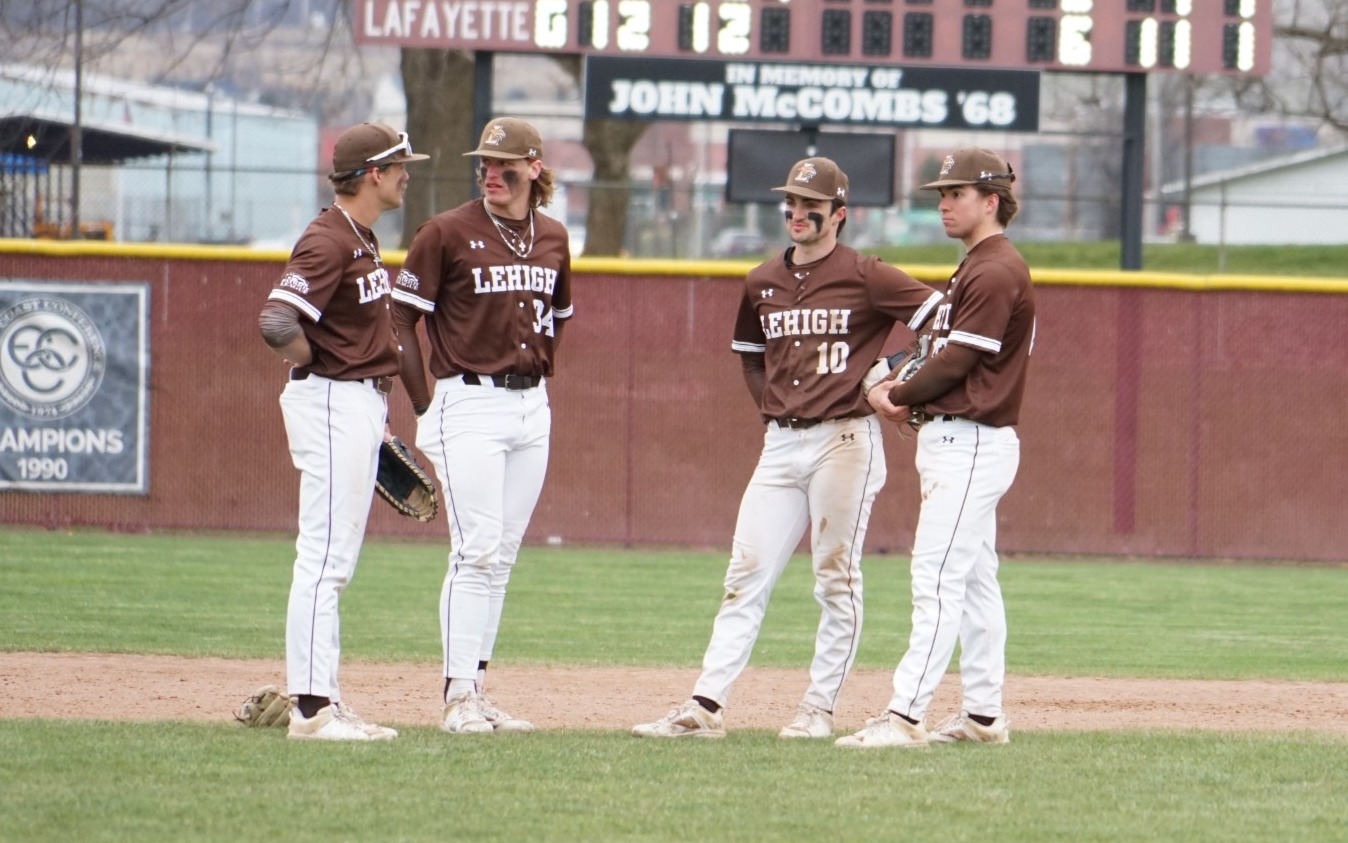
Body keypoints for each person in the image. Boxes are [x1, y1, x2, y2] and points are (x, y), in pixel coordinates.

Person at [632, 157, 943, 739]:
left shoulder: (867, 273)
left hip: (845, 439)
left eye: (812, 206)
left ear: (839, 215)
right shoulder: (761, 280)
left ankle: (818, 709)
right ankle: (704, 706)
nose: (798, 214)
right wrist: (769, 406)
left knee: (834, 577)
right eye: (792, 204)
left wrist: (891, 370)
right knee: (744, 573)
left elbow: (941, 318)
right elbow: (750, 354)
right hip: (780, 443)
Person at [837, 147, 1035, 749]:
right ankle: (982, 717)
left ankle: (904, 717)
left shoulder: (996, 268)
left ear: (991, 200)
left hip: (971, 439)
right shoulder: (976, 266)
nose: (944, 204)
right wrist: (897, 375)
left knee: (937, 575)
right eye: (942, 195)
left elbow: (959, 358)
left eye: (956, 194)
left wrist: (899, 393)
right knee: (974, 581)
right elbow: (935, 348)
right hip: (961, 438)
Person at [392, 116, 573, 735]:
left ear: (535, 169)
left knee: (503, 556)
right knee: (476, 551)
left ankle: (479, 689)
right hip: (466, 401)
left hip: (531, 406)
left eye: (505, 164)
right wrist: (424, 406)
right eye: (485, 164)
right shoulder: (445, 232)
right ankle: (457, 696)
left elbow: (557, 318)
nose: (492, 173)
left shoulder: (552, 237)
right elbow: (400, 321)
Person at [257, 122, 429, 741]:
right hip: (332, 400)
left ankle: (325, 698)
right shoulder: (330, 239)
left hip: (354, 405)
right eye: (401, 165)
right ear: (374, 174)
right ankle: (310, 709)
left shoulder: (361, 237)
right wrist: (330, 369)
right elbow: (277, 321)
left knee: (335, 562)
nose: (409, 173)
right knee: (324, 560)